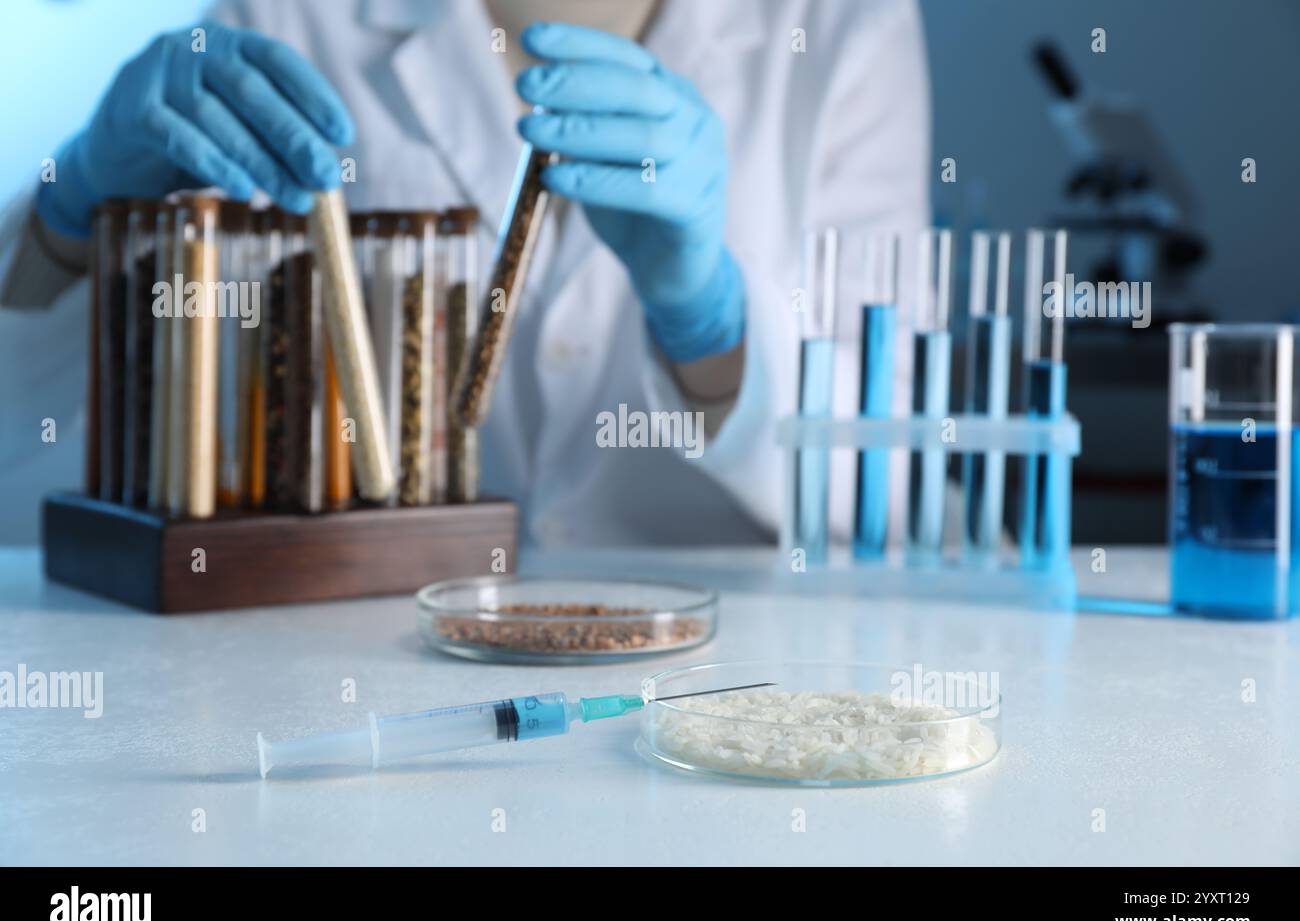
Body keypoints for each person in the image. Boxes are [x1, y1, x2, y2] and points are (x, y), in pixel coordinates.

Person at [0, 0, 929, 546]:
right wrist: (71, 210)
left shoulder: (838, 26)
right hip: (339, 662)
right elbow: (40, 450)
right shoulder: (288, 16)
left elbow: (903, 469)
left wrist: (713, 330)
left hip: (719, 703)